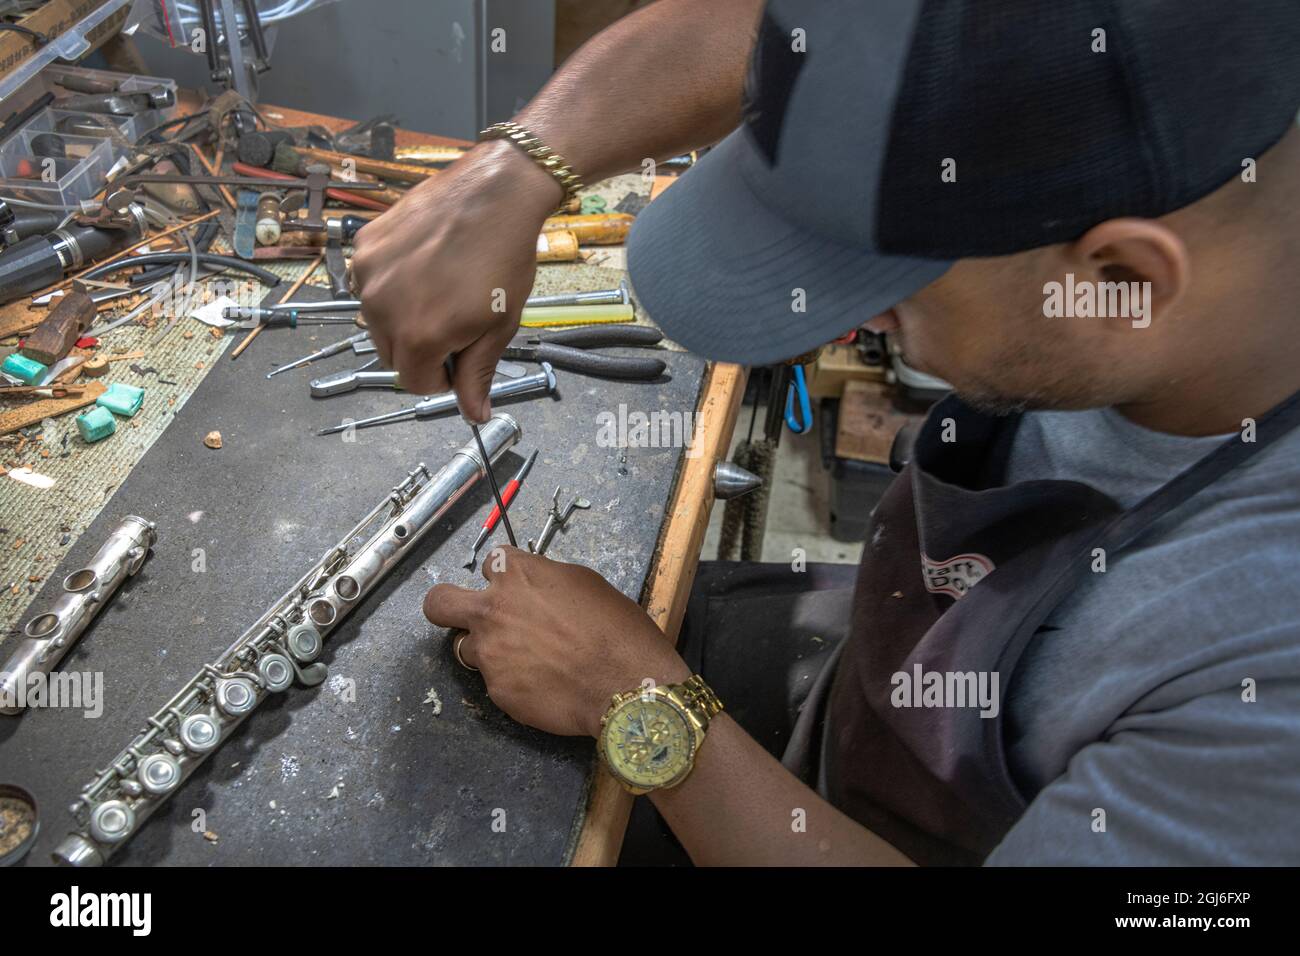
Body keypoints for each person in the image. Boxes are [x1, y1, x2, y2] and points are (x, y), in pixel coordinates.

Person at [350, 0, 1300, 864]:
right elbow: (766, 30)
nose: (849, 326)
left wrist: (633, 701)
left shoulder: (1263, 705)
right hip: (873, 680)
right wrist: (516, 170)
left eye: (887, 296)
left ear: (1121, 278)